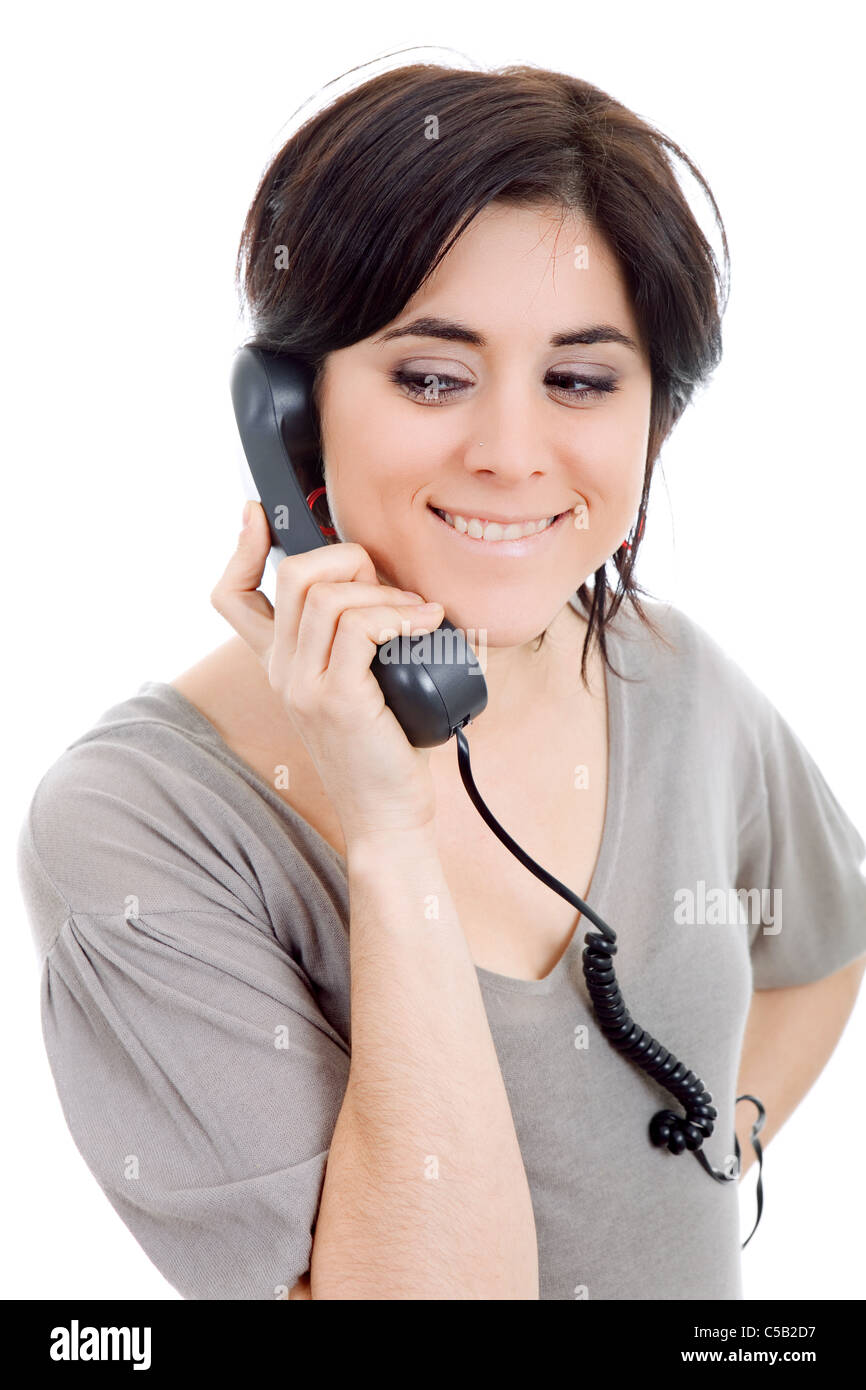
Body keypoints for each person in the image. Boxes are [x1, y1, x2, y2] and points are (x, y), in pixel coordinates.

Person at [17, 61, 866, 1301]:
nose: (512, 455)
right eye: (430, 375)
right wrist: (388, 830)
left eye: (579, 380)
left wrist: (708, 1151)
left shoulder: (667, 674)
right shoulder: (136, 826)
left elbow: (823, 945)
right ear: (290, 425)